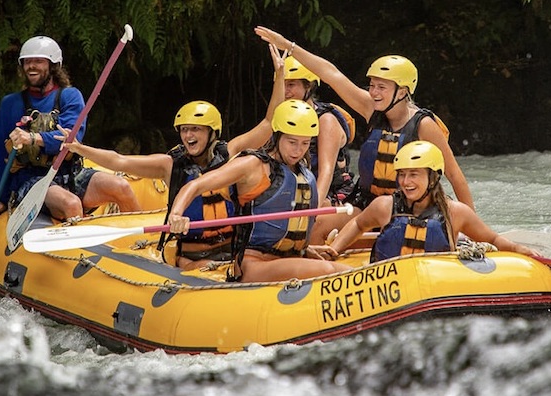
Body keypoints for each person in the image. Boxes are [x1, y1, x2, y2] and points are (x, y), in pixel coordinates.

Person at [56, 44, 287, 270]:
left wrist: (279, 76)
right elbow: (119, 161)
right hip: (192, 256)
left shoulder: (230, 153)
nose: (188, 135)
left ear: (212, 132)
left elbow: (268, 123)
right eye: (184, 129)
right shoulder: (170, 165)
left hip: (231, 250)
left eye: (196, 129)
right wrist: (80, 148)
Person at [254, 26, 473, 239]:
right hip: (368, 205)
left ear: (402, 92)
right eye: (372, 85)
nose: (373, 92)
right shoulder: (371, 110)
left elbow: (455, 176)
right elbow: (331, 74)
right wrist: (288, 46)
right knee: (312, 228)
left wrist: (469, 228)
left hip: (408, 207)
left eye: (381, 87)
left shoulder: (423, 125)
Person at [167, 99, 350, 282]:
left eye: (305, 143)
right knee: (330, 270)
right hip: (254, 265)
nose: (298, 150)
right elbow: (194, 186)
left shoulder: (302, 171)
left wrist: (303, 249)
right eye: (292, 142)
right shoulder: (253, 165)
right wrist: (176, 214)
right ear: (277, 136)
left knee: (338, 266)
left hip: (286, 259)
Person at [0, 36, 140, 221]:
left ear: (52, 66)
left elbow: (69, 138)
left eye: (39, 61)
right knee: (71, 204)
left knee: (120, 187)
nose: (31, 66)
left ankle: (141, 243)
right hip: (31, 179)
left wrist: (33, 138)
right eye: (27, 62)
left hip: (70, 173)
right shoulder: (11, 103)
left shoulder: (70, 96)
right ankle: (78, 248)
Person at [325, 141, 538, 262]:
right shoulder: (385, 206)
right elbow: (358, 224)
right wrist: (335, 249)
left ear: (433, 177)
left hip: (435, 287)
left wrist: (518, 249)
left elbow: (492, 239)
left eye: (414, 175)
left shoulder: (456, 213)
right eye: (402, 175)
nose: (405, 182)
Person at [282, 56, 357, 208]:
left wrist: (310, 212)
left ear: (308, 86)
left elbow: (326, 173)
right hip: (296, 192)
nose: (285, 91)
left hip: (331, 194)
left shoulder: (326, 120)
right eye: (281, 85)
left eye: (291, 85)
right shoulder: (281, 118)